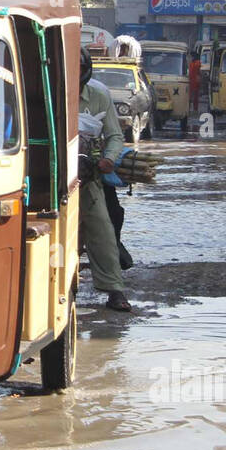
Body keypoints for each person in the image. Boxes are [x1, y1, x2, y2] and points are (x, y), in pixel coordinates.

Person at [78, 47, 131, 312]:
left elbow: (114, 135)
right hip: (50, 176)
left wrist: (109, 158)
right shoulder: (42, 92)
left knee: (102, 230)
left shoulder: (98, 96)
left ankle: (115, 290)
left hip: (88, 176)